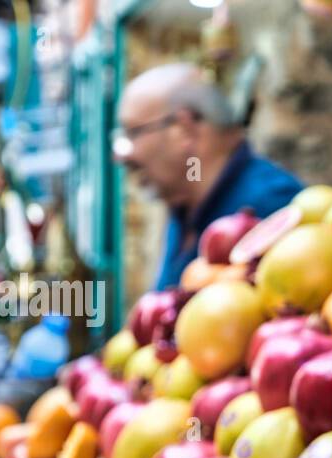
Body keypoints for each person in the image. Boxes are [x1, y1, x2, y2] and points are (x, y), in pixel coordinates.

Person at [112, 63, 302, 290]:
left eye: (133, 133)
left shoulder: (272, 204)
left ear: (185, 129)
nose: (119, 155)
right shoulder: (184, 202)